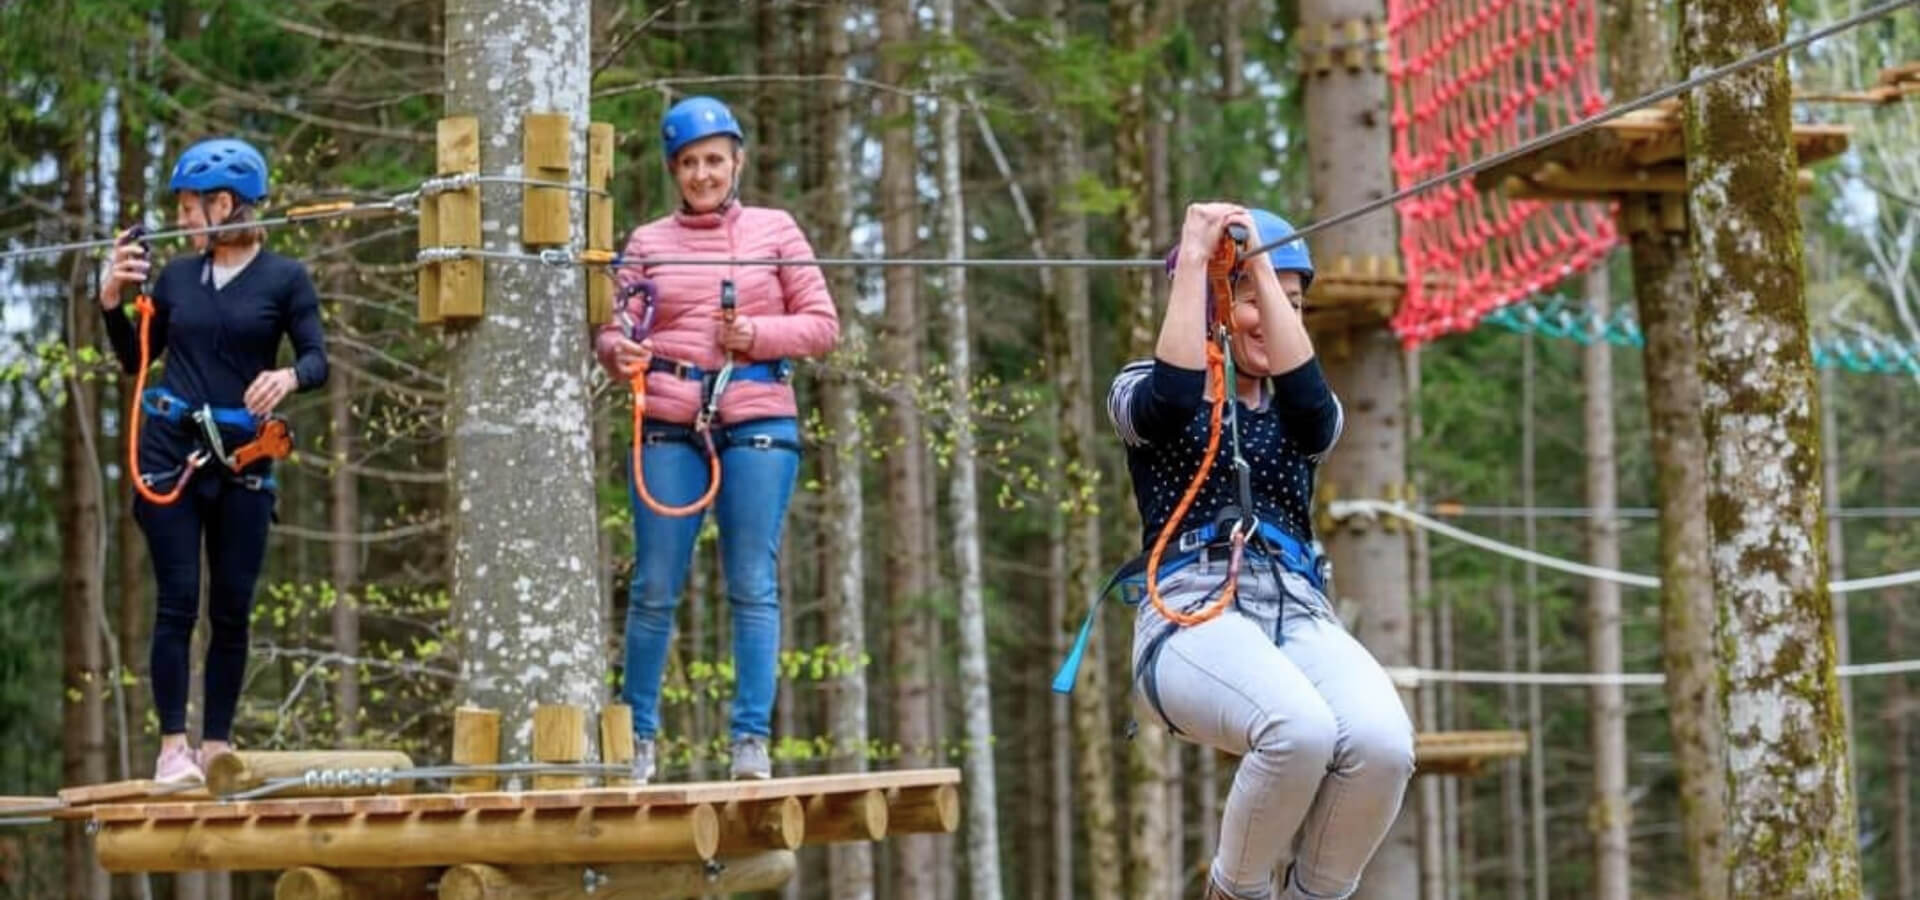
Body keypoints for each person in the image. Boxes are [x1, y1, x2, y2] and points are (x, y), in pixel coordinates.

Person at [1106, 203, 1414, 899]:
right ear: (1214, 305)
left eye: (1289, 302)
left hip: (1298, 615)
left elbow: (1310, 406)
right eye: (1250, 300)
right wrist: (1195, 254)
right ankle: (1236, 892)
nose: (1271, 320)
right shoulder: (1139, 389)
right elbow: (1174, 396)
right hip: (1189, 617)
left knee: (1381, 746)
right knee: (1298, 731)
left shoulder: (1305, 412)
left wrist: (1263, 276)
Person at [593, 96, 839, 783]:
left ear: (737, 162)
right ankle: (637, 738)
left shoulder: (776, 230)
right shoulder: (646, 243)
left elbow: (822, 324)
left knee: (753, 584)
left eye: (714, 161)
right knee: (653, 585)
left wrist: (758, 334)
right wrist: (620, 353)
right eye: (690, 163)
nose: (703, 174)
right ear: (675, 170)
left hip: (758, 417)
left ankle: (750, 742)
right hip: (670, 420)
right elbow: (613, 326)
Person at [98, 137, 329, 784]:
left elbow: (318, 358)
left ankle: (215, 743)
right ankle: (174, 746)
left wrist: (287, 379)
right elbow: (132, 360)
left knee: (231, 606)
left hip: (245, 460)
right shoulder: (174, 278)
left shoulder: (286, 279)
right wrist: (111, 301)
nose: (181, 219)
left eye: (190, 207)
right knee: (178, 602)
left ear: (224, 204)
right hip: (172, 453)